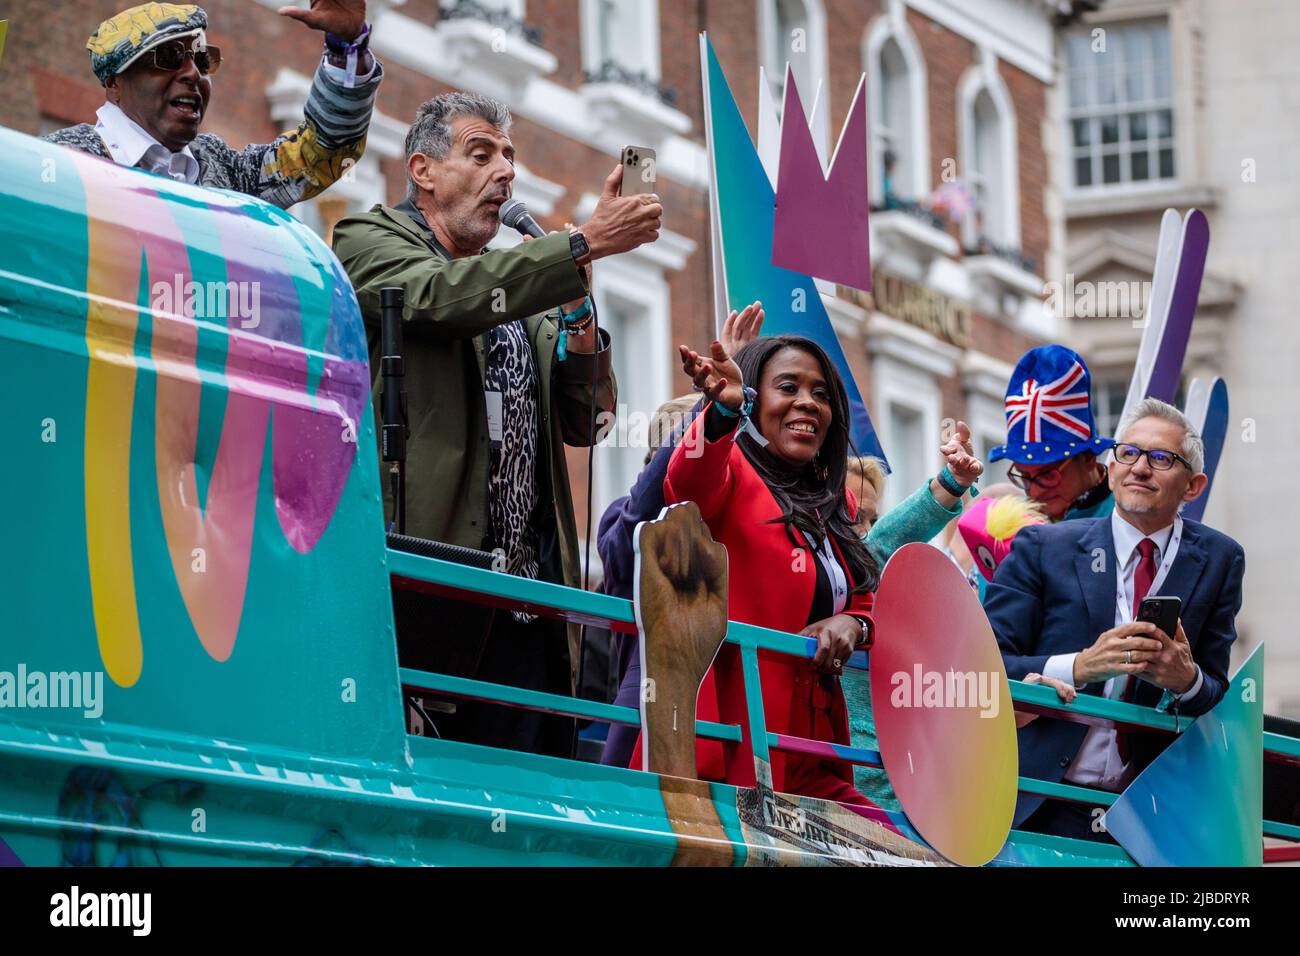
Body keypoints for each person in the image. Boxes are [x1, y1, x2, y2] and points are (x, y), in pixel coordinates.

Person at [332, 90, 659, 757]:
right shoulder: (369, 237)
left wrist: (578, 312)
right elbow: (438, 299)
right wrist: (579, 243)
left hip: (528, 610)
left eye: (509, 156)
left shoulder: (518, 287)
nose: (504, 171)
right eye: (480, 153)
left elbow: (587, 421)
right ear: (422, 169)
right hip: (430, 589)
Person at [626, 333, 883, 805]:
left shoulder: (838, 500)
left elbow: (865, 598)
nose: (807, 403)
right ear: (755, 399)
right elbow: (685, 485)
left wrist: (855, 623)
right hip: (732, 744)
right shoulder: (732, 467)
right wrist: (722, 411)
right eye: (788, 387)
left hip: (812, 749)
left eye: (821, 393)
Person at [985, 398, 1245, 842]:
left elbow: (1216, 691)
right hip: (1035, 799)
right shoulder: (1043, 548)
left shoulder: (1220, 559)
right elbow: (980, 665)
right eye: (1128, 453)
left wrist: (1187, 680)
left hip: (1148, 816)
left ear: (1193, 486)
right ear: (1110, 469)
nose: (1141, 468)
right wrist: (1078, 667)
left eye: (1161, 458)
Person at [596, 302, 764, 768]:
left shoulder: (732, 525)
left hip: (734, 720)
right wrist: (714, 407)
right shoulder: (621, 521)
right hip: (652, 713)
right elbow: (645, 514)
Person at [44, 2, 382, 209]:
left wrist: (346, 48)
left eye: (202, 60)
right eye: (169, 57)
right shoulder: (65, 162)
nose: (193, 73)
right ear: (115, 83)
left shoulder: (222, 169)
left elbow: (320, 153)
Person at [989, 345, 1116, 522]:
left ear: (1088, 457)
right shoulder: (1016, 528)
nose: (1034, 491)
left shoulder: (1129, 517)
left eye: (1048, 475)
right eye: (1024, 477)